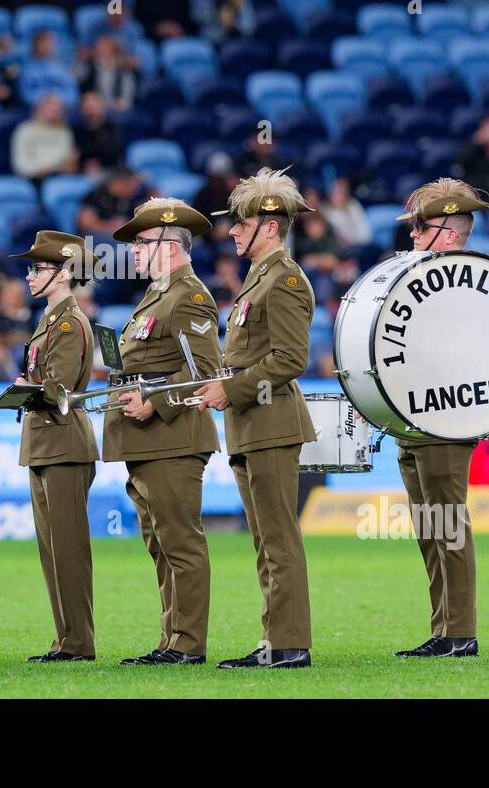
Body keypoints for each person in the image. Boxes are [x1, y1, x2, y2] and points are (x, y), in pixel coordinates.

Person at [194, 168, 317, 670]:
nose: (232, 231)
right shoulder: (260, 277)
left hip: (270, 422)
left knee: (277, 537)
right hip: (252, 423)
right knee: (265, 538)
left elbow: (291, 359)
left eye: (241, 223)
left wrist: (232, 387)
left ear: (269, 226)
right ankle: (277, 639)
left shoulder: (284, 279)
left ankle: (288, 644)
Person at [106, 199, 221, 665]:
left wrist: (152, 400)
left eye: (141, 243)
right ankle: (171, 639)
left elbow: (207, 371)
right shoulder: (157, 295)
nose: (134, 251)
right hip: (150, 440)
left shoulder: (189, 296)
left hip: (174, 437)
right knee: (161, 544)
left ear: (169, 245)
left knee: (180, 542)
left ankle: (188, 645)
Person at [392, 178, 489, 658]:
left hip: (447, 419)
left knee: (449, 524)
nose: (412, 235)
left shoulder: (472, 286)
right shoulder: (419, 281)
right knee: (429, 529)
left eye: (420, 227)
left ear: (448, 234)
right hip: (413, 419)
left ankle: (461, 631)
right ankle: (443, 627)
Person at [9, 231, 100, 662]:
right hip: (46, 442)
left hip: (63, 441)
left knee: (68, 549)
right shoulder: (51, 319)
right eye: (30, 268)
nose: (30, 276)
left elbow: (59, 387)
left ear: (64, 274)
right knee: (51, 550)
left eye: (39, 269)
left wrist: (25, 390)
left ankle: (79, 642)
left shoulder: (68, 321)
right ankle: (65, 639)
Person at [11, 94, 77, 179]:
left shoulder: (65, 131)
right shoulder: (24, 130)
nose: (54, 110)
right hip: (30, 178)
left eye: (58, 108)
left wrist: (50, 168)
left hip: (58, 176)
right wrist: (37, 170)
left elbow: (67, 159)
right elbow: (20, 163)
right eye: (50, 107)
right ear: (40, 108)